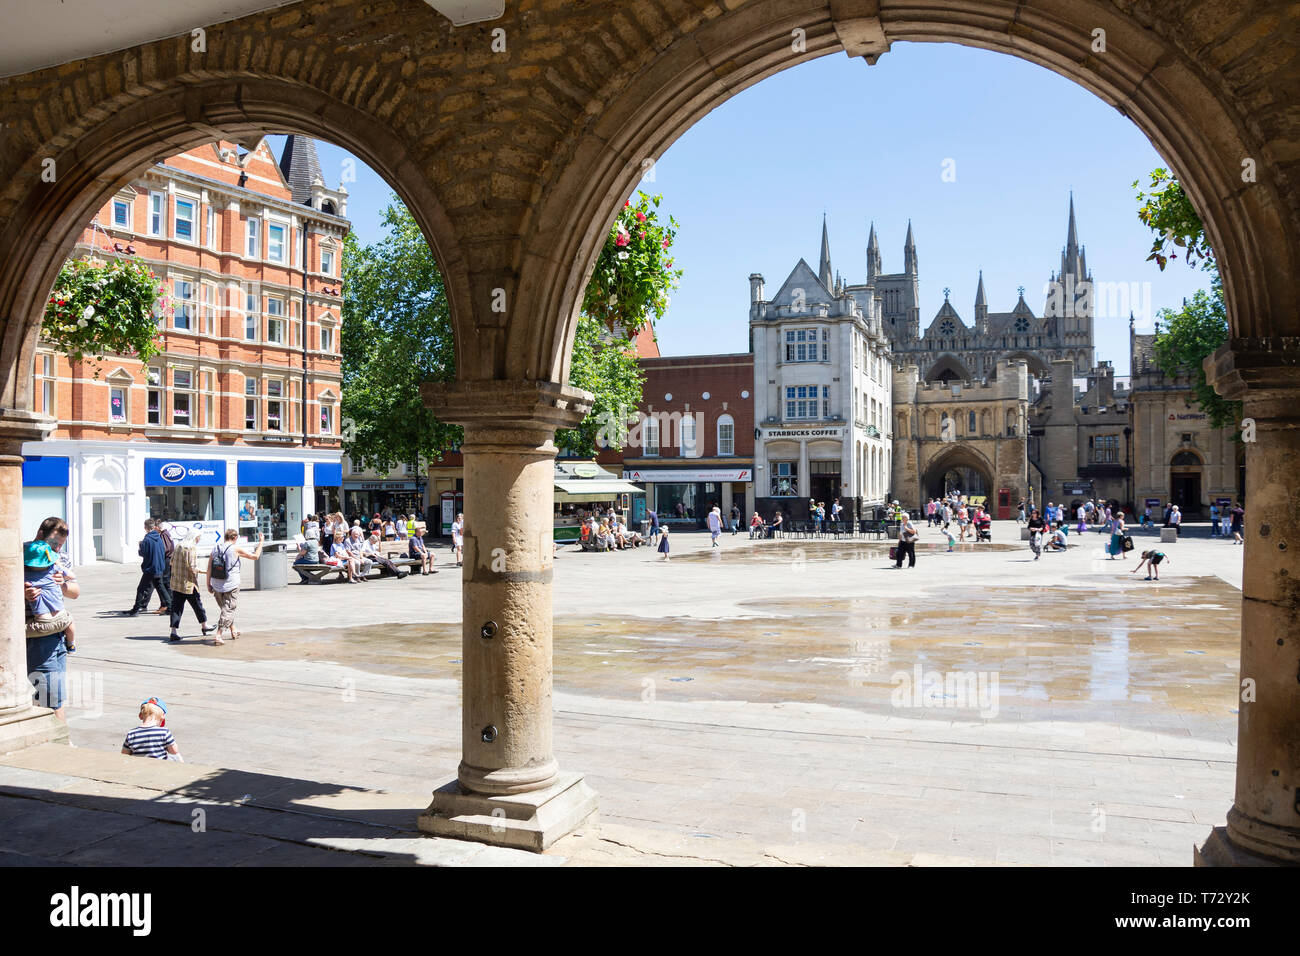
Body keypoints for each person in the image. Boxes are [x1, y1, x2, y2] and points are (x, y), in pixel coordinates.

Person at [206, 529, 264, 645]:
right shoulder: (235, 549)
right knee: (228, 609)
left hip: (217, 584)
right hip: (231, 584)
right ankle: (218, 635)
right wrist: (261, 542)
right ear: (235, 538)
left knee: (225, 609)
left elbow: (209, 568)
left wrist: (208, 584)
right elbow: (255, 556)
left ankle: (233, 630)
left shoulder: (215, 548)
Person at [168, 529, 215, 642]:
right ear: (195, 537)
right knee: (197, 605)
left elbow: (171, 562)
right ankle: (204, 625)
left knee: (176, 608)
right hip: (189, 583)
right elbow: (192, 567)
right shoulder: (191, 548)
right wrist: (206, 572)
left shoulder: (178, 545)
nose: (199, 539)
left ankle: (173, 631)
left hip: (177, 582)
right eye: (199, 537)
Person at [126, 518, 172, 615]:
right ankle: (171, 607)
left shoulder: (147, 539)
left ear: (145, 528)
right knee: (161, 588)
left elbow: (143, 553)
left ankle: (136, 609)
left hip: (150, 568)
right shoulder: (159, 537)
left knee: (141, 589)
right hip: (159, 567)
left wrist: (140, 546)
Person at [122, 697, 182, 762]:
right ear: (162, 717)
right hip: (159, 768)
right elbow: (174, 751)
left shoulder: (132, 733)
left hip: (139, 768)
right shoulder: (164, 732)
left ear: (140, 716)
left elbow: (124, 754)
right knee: (176, 757)